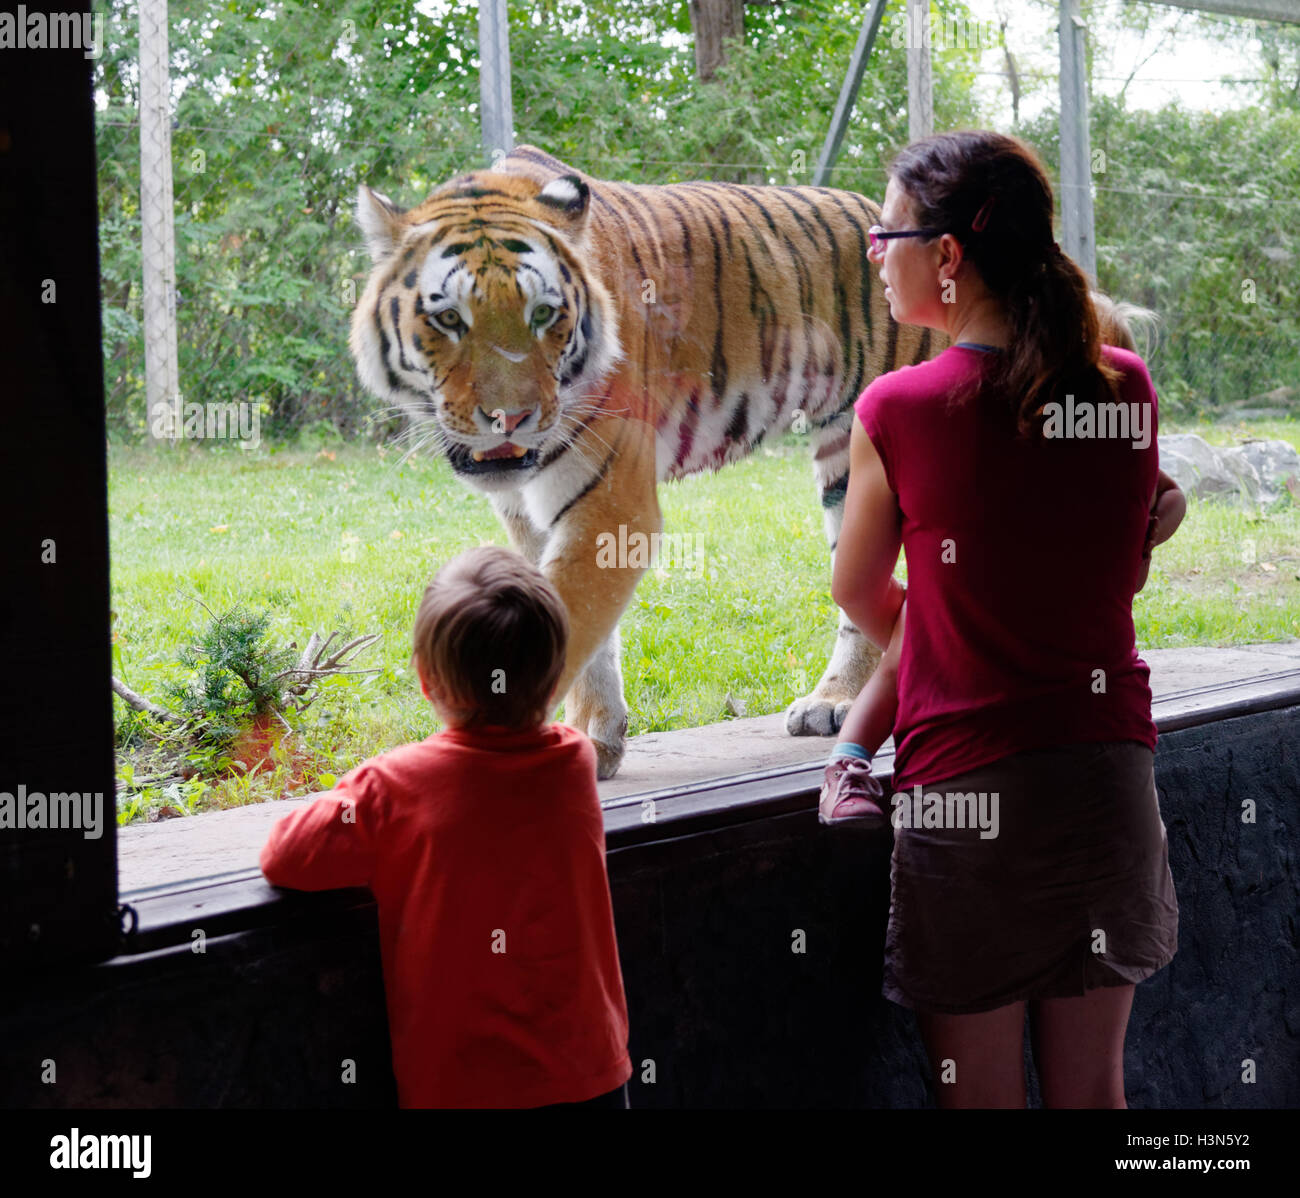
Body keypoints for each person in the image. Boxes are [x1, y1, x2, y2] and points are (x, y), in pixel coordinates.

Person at [821, 129, 1183, 1109]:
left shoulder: (897, 408)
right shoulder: (1124, 385)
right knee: (1092, 1095)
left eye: (883, 231)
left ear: (945, 254)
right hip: (1106, 783)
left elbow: (858, 595)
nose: (873, 251)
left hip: (964, 802)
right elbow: (1107, 587)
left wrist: (949, 625)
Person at [259, 545, 632, 1109]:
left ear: (426, 681)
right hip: (591, 1077)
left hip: (463, 1089)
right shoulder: (573, 762)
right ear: (557, 676)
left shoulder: (393, 788)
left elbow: (284, 855)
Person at [820, 300, 1187, 825]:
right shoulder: (1035, 431)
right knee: (910, 639)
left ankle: (849, 760)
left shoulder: (1103, 445)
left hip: (1058, 653)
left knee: (913, 637)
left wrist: (1143, 535)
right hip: (1091, 740)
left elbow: (1171, 496)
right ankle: (847, 762)